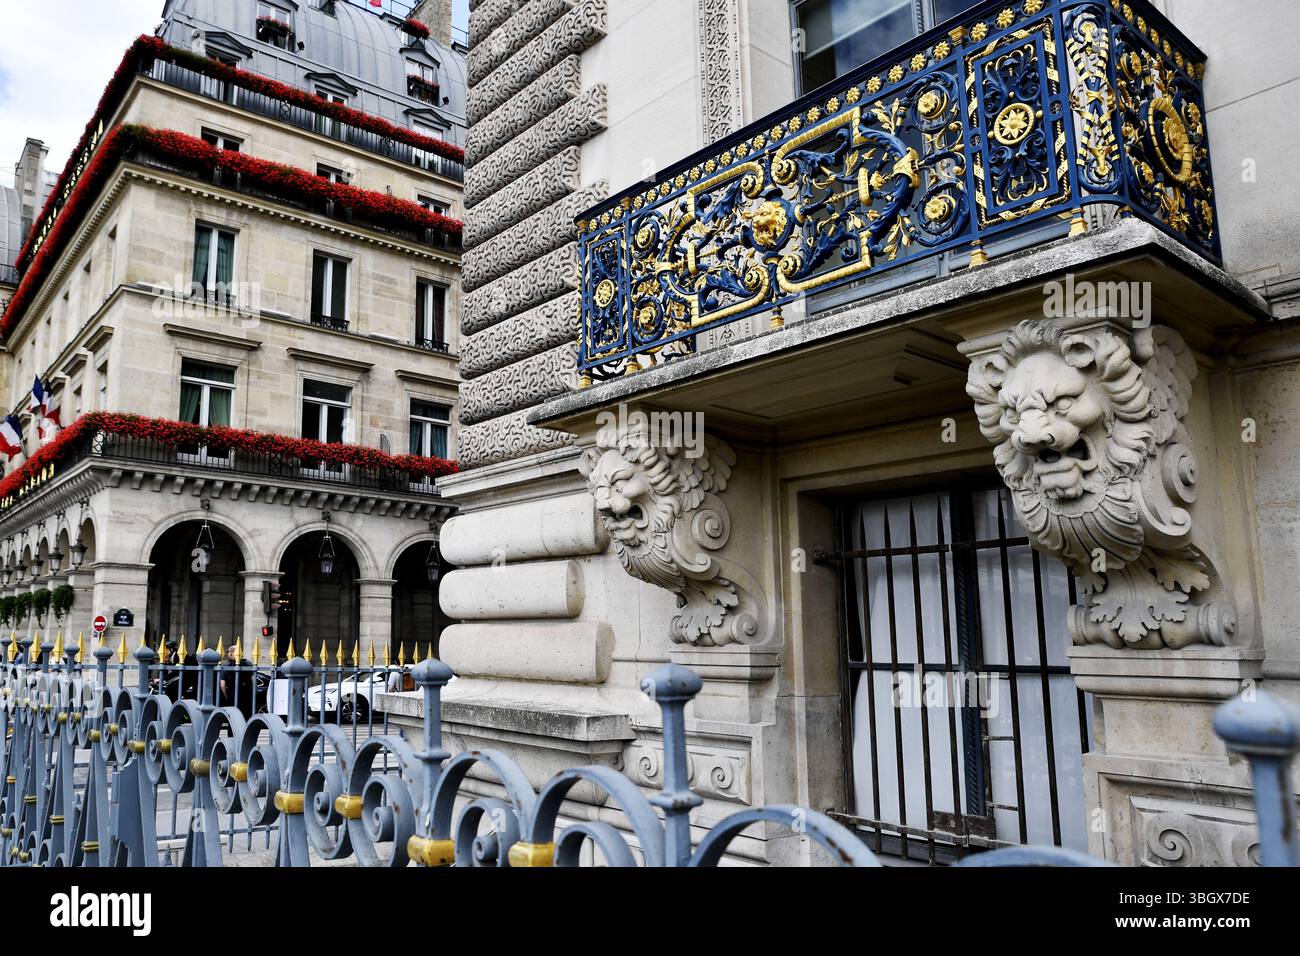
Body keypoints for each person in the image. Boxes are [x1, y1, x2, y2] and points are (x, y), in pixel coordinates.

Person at [219, 643, 255, 717]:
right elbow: (253, 681)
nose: (228, 654)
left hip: (232, 694)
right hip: (246, 694)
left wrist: (226, 696)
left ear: (232, 653)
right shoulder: (248, 663)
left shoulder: (227, 665)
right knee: (246, 715)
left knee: (232, 716)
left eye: (228, 652)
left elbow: (222, 685)